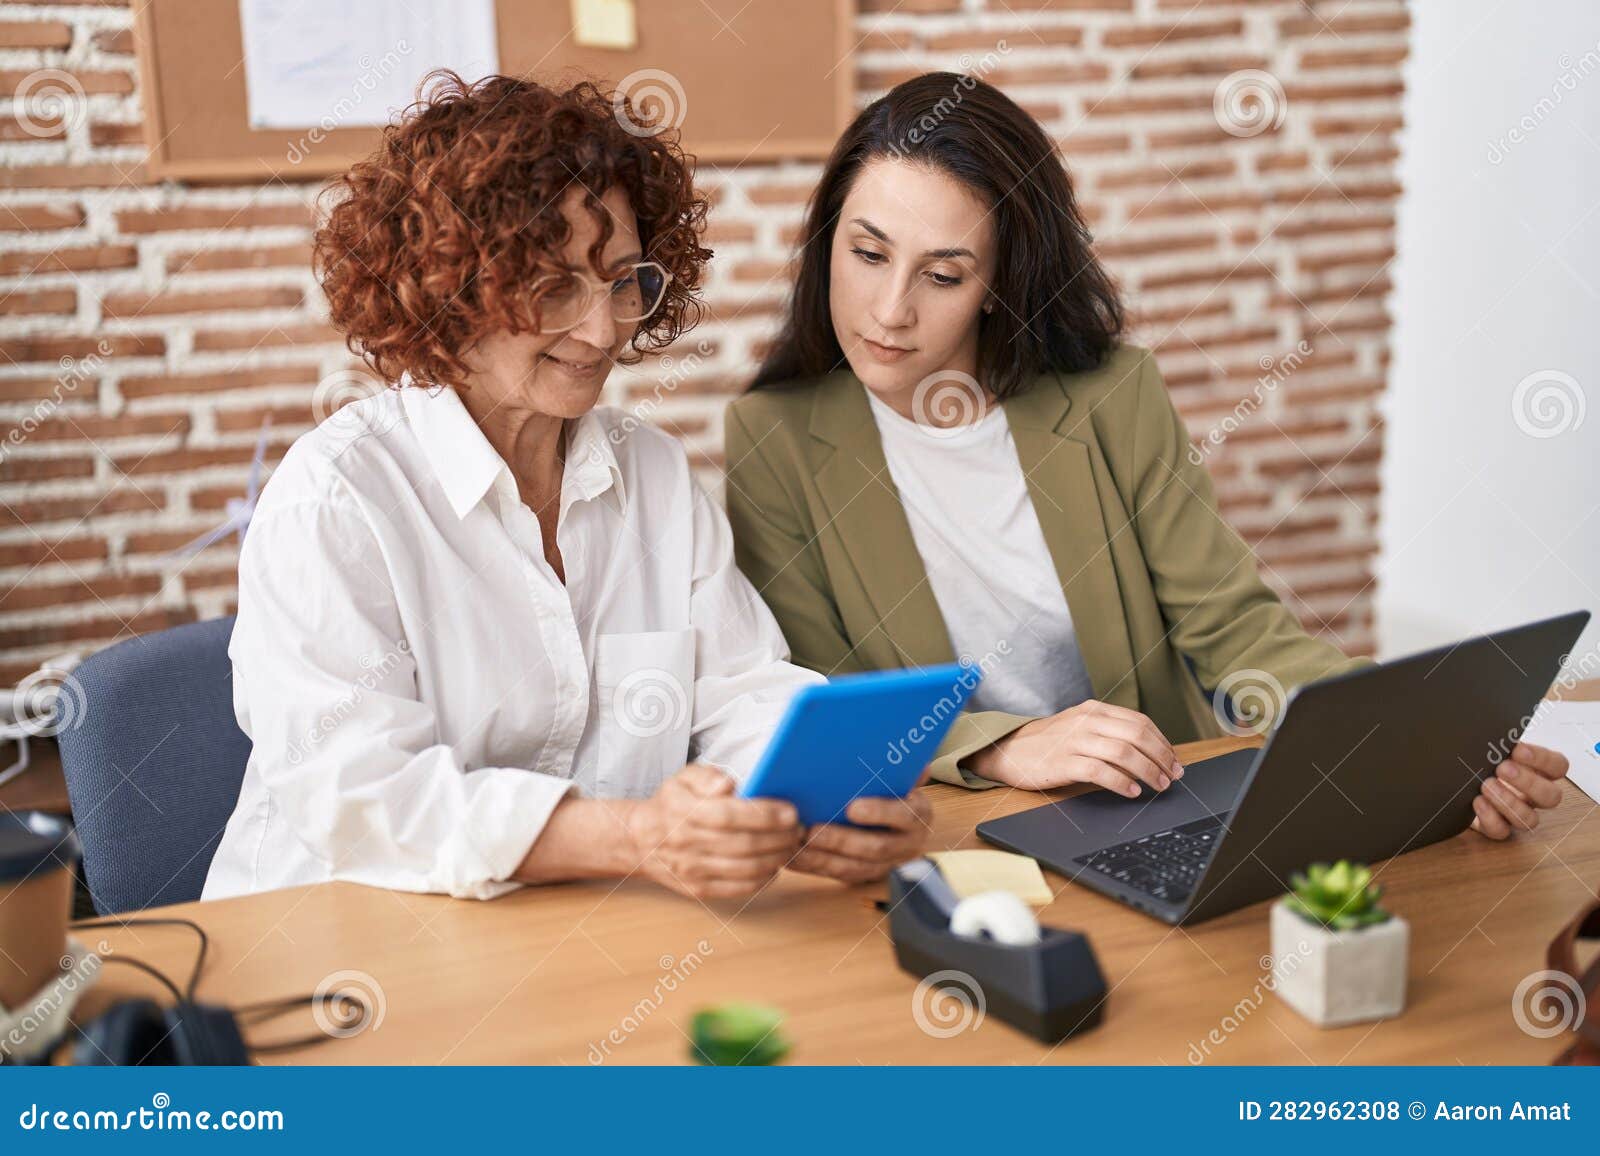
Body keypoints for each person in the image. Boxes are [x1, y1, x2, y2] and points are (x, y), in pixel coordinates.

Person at [724, 72, 1568, 840]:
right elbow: (820, 698)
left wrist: (1416, 736)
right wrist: (1004, 746)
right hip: (947, 833)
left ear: (999, 287)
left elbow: (1233, 627)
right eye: (868, 255)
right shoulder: (775, 441)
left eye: (943, 276)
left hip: (1149, 812)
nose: (890, 310)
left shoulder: (1109, 397)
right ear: (828, 240)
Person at [202, 72, 931, 904]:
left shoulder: (651, 472)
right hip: (339, 952)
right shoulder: (336, 500)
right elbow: (365, 797)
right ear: (445, 289)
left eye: (624, 281)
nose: (601, 331)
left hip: (574, 935)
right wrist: (635, 836)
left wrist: (829, 799)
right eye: (552, 288)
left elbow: (743, 690)